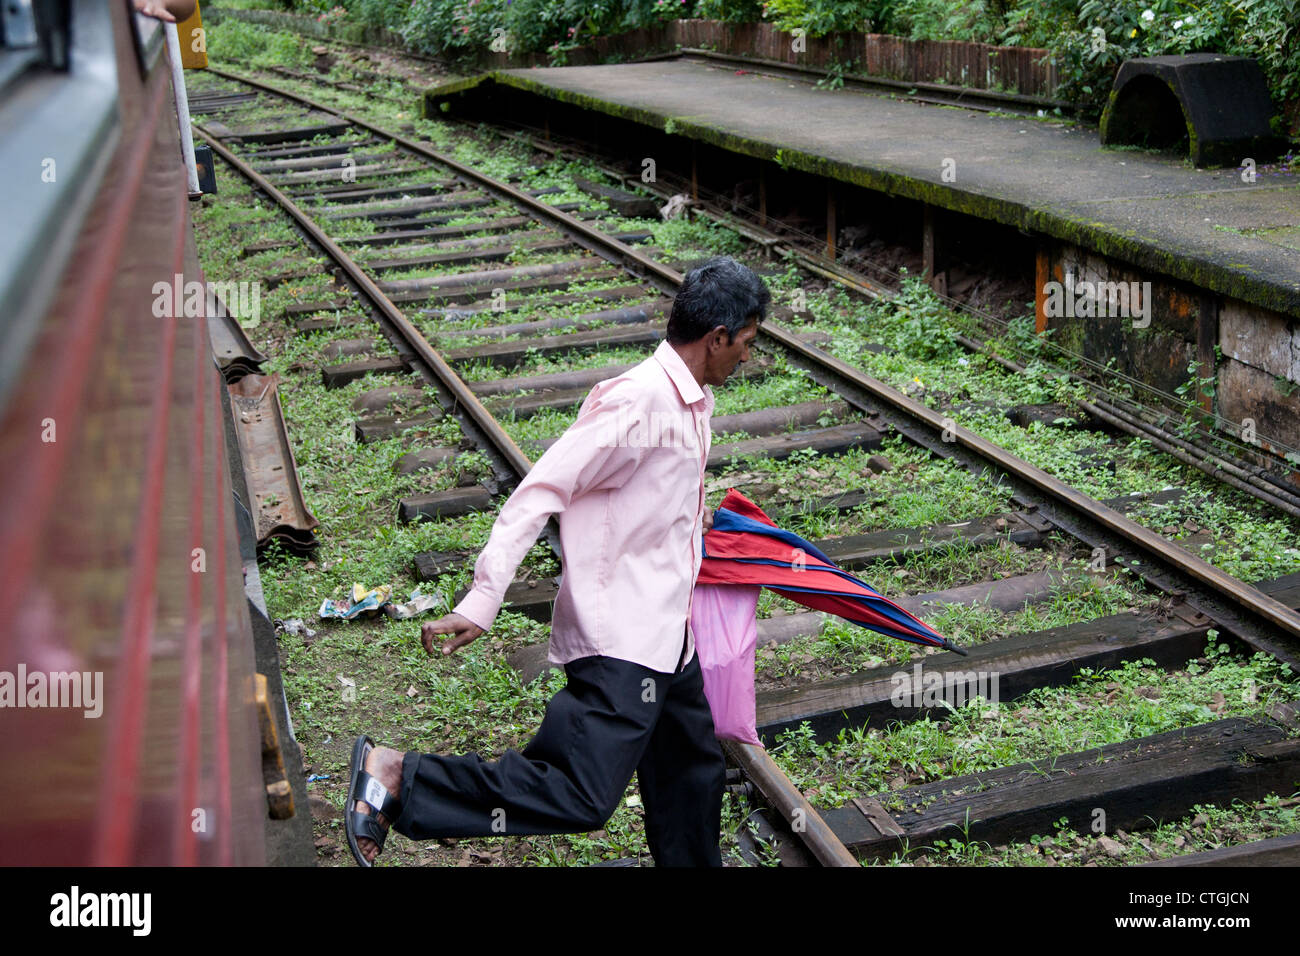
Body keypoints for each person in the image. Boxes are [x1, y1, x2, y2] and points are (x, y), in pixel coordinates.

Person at [346, 256, 770, 867]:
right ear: (717, 338)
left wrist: (690, 516)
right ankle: (397, 778)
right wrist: (483, 596)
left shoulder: (690, 401)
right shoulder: (638, 403)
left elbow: (640, 496)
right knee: (580, 794)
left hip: (667, 637)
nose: (748, 357)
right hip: (621, 640)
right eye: (747, 343)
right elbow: (539, 491)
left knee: (691, 782)